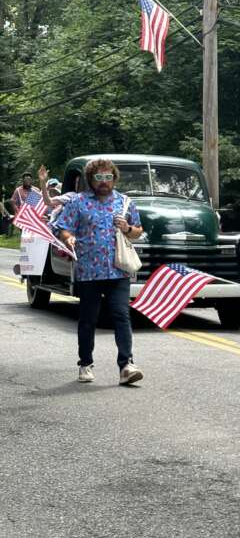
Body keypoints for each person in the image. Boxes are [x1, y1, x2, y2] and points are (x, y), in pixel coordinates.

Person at [53, 158, 144, 386]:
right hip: (88, 271)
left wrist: (128, 228)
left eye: (108, 177)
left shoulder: (125, 202)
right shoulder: (78, 202)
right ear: (91, 179)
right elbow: (63, 227)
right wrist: (69, 238)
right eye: (99, 177)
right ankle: (85, 363)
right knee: (88, 319)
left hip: (118, 270)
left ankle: (126, 365)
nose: (104, 182)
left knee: (121, 315)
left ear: (114, 178)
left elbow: (138, 231)